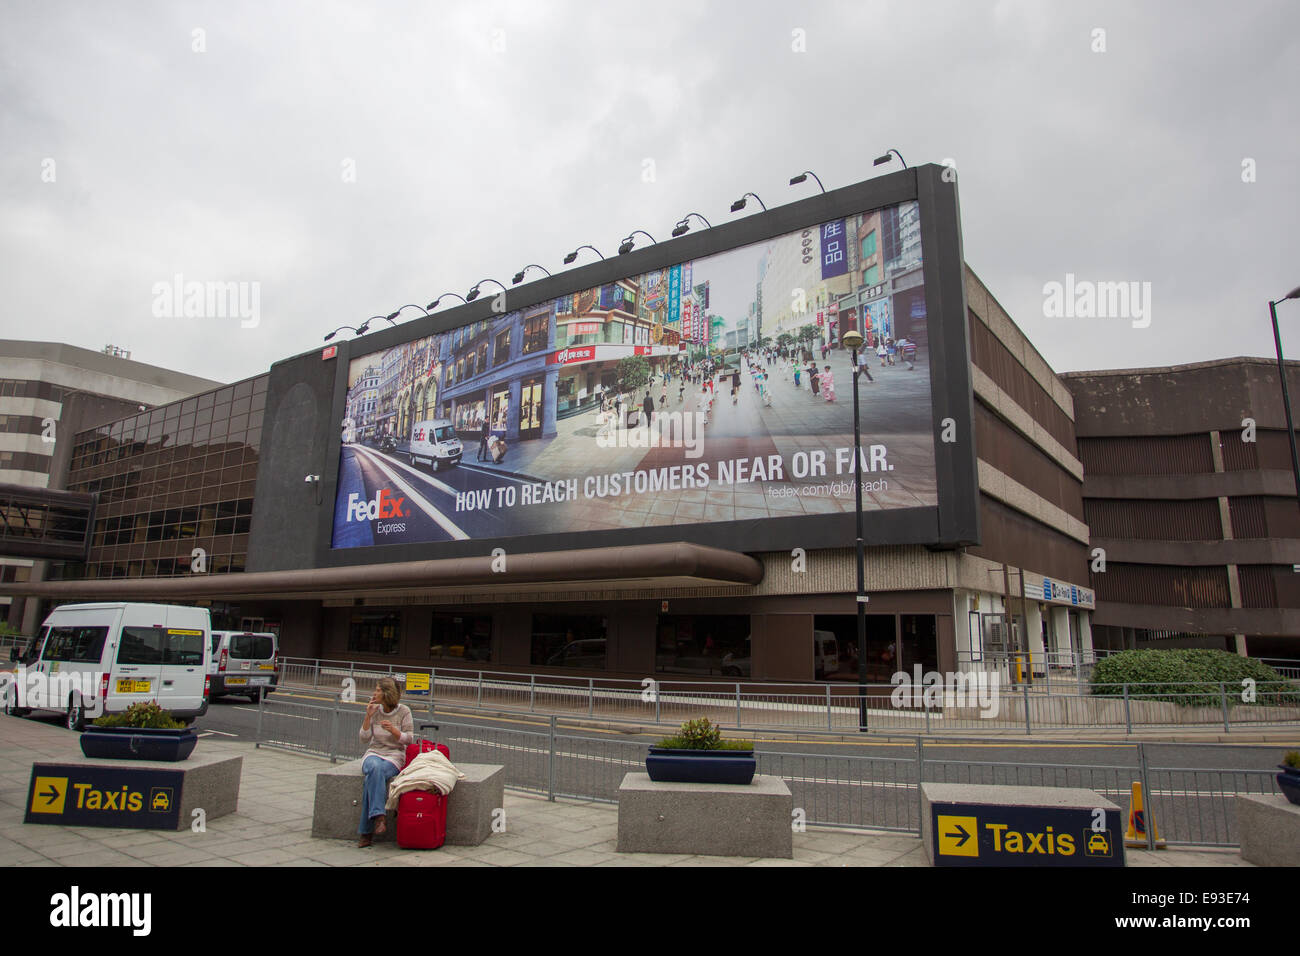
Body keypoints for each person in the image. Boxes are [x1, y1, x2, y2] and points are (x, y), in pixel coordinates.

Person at [357, 677, 414, 847]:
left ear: (387, 693)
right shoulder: (375, 710)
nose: (374, 693)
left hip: (394, 756)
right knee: (374, 767)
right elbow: (364, 739)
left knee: (372, 778)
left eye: (378, 690)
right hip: (373, 753)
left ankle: (366, 833)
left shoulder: (404, 711)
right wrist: (368, 716)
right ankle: (379, 817)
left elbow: (409, 739)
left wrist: (395, 731)